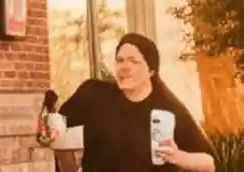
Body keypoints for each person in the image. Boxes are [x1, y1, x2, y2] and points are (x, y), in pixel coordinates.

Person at [45, 33, 216, 172]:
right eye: (120, 60)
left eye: (133, 61)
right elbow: (59, 121)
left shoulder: (168, 110)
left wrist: (178, 157)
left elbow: (209, 162)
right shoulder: (94, 94)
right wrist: (52, 129)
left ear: (151, 70)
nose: (124, 67)